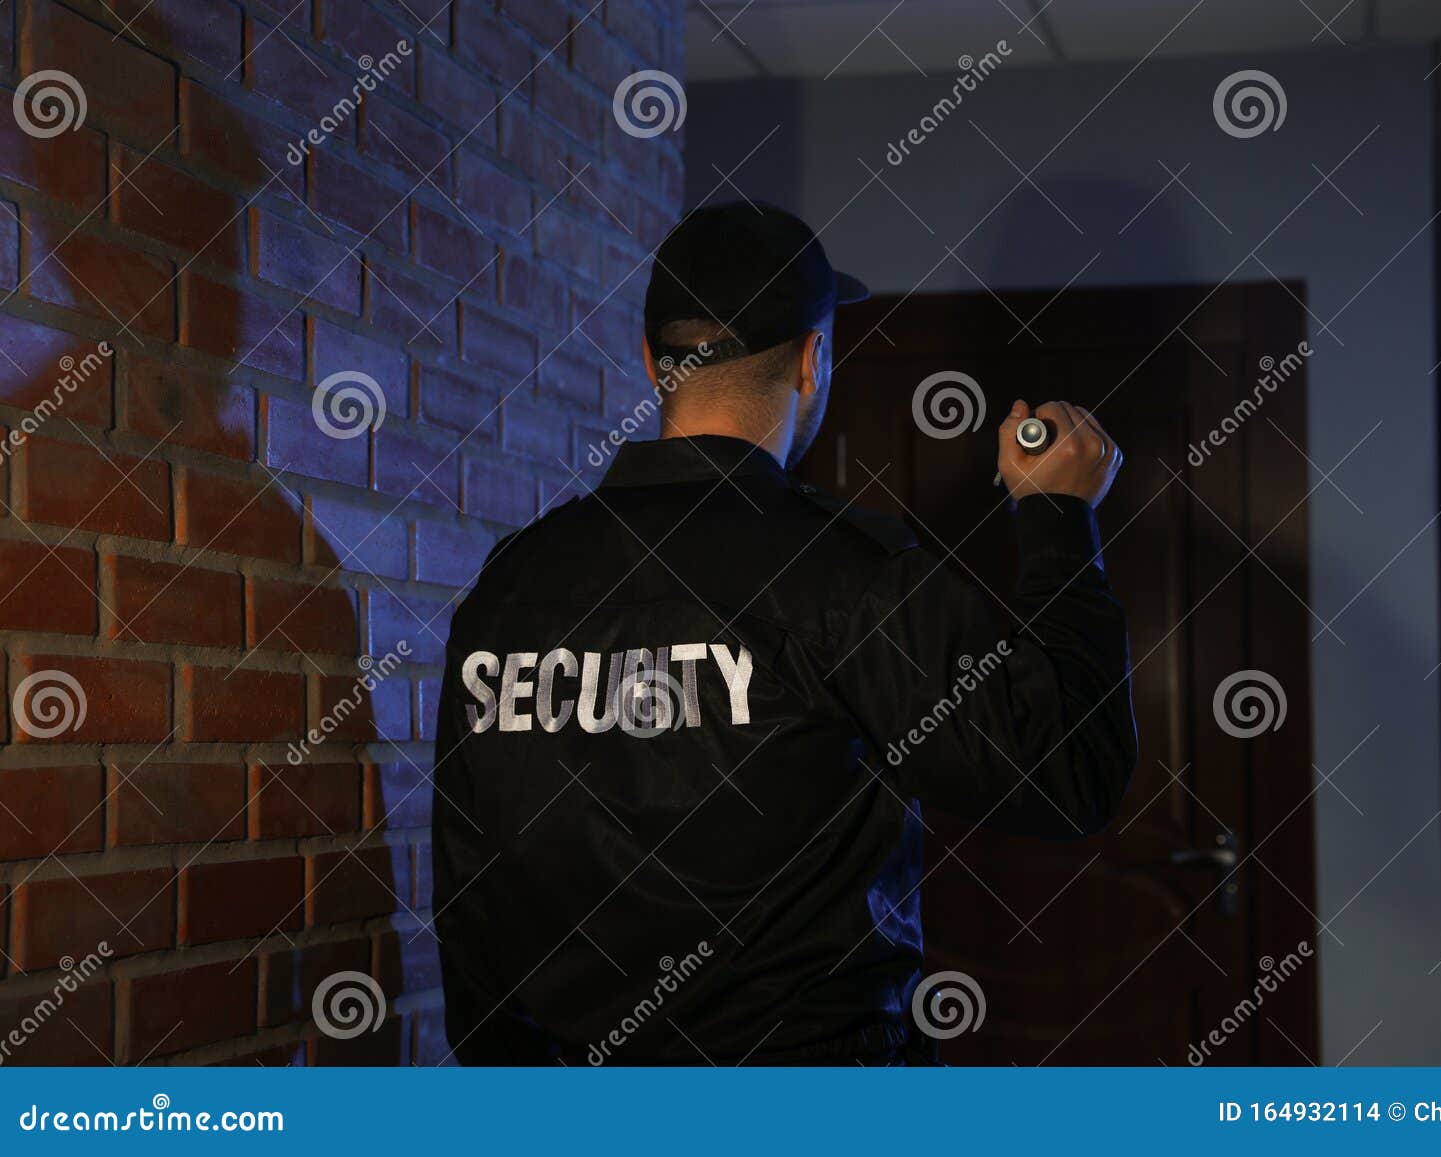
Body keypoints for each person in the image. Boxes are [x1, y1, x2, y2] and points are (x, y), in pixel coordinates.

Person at [432, 201, 1137, 1065]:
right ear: (812, 361)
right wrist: (1059, 519)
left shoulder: (509, 584)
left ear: (654, 362)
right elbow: (1070, 770)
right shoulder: (846, 576)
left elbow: (467, 893)